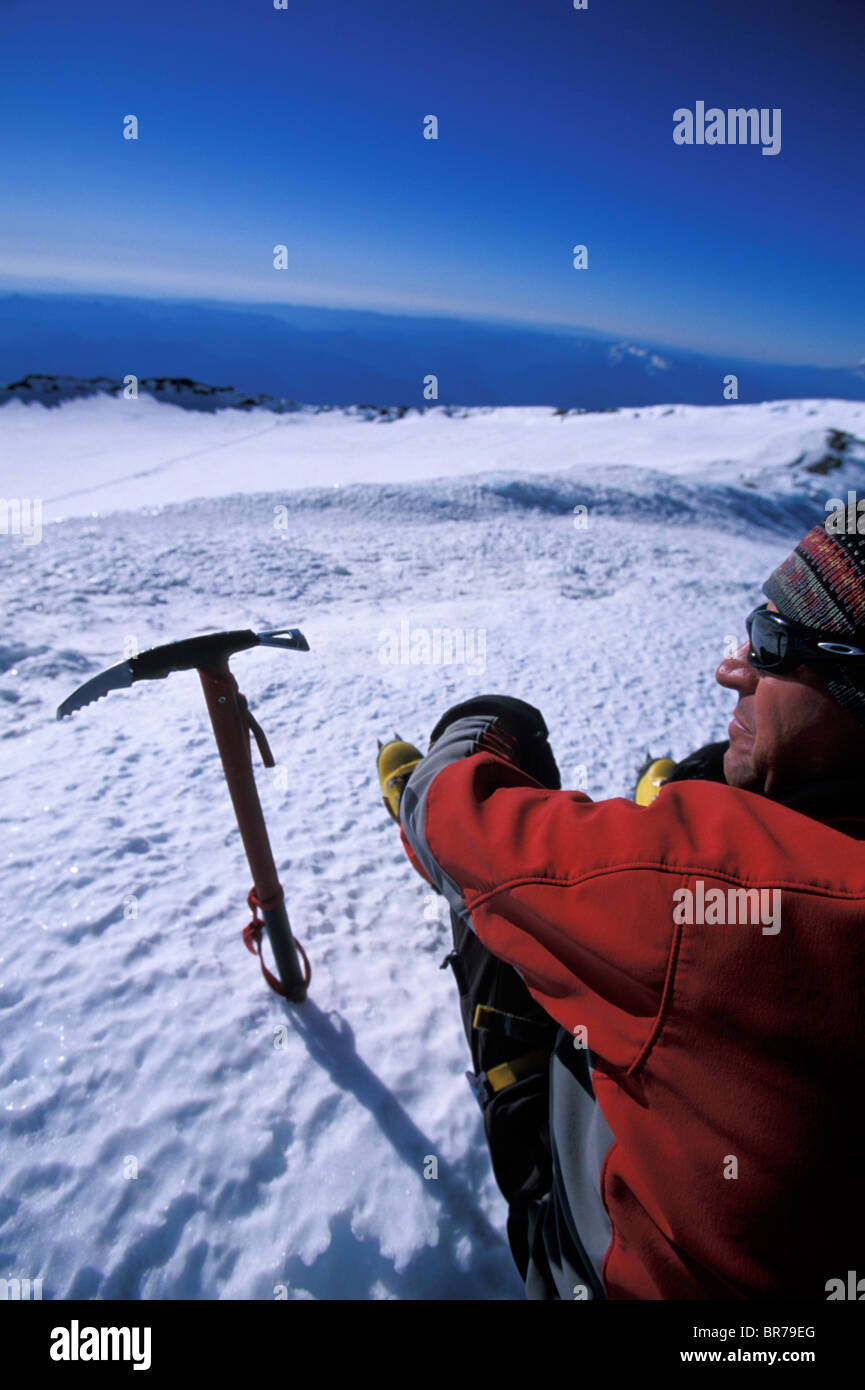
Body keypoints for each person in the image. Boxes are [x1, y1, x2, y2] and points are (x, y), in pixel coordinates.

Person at [377, 511, 865, 1299]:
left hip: (612, 1280)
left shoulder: (703, 896)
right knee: (715, 778)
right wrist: (690, 804)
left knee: (512, 913)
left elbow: (463, 834)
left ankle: (519, 1089)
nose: (730, 670)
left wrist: (450, 760)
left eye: (772, 645)